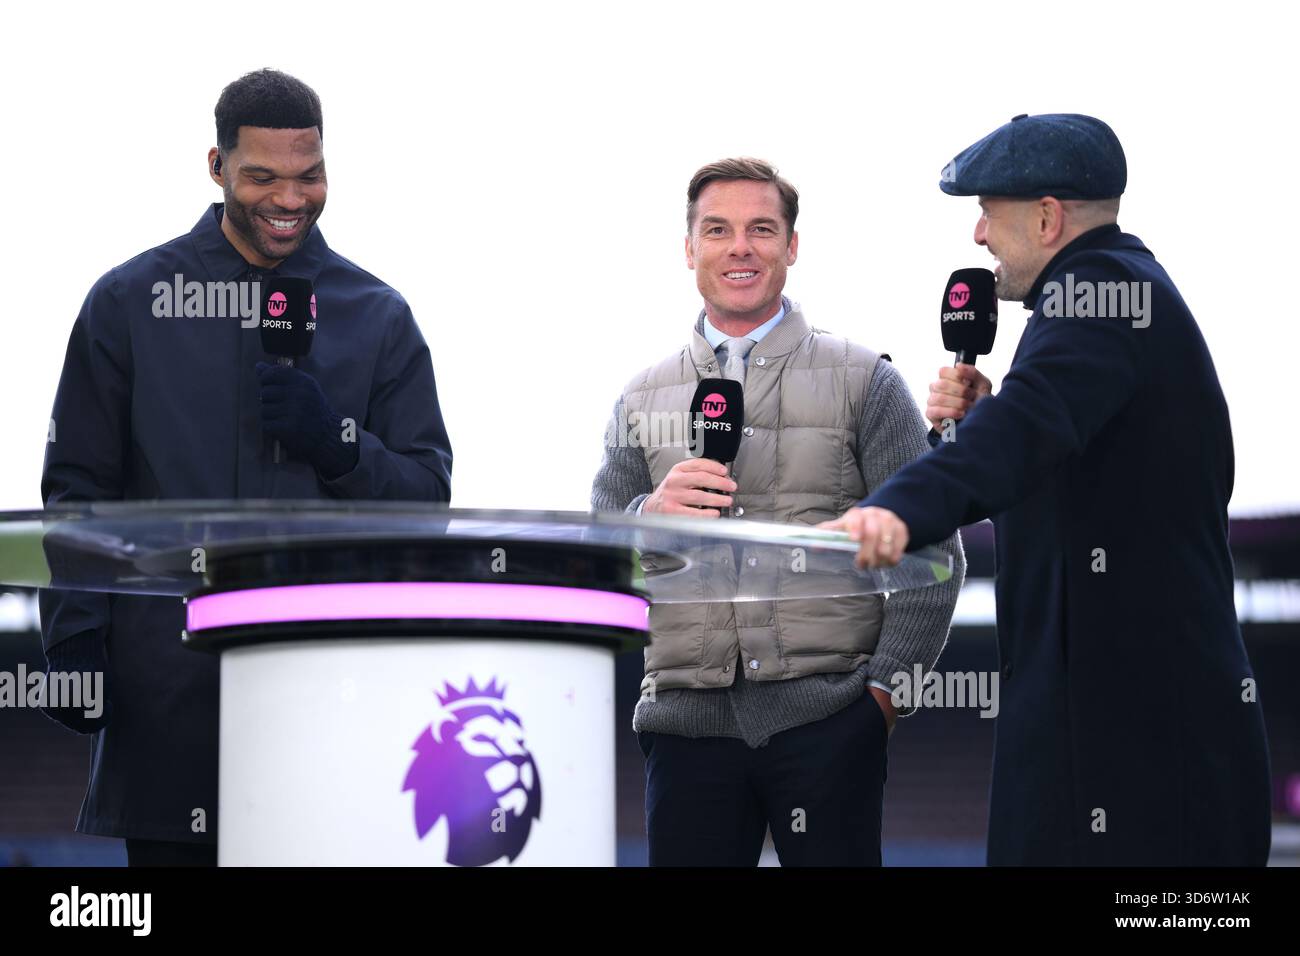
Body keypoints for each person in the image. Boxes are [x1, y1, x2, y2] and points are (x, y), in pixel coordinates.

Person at [825, 114, 1271, 865]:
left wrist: (900, 506)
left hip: (1135, 763)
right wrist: (985, 419)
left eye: (987, 212)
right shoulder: (1115, 297)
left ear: (1046, 216)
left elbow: (1029, 427)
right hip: (1123, 744)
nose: (976, 236)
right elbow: (1054, 449)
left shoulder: (1099, 295)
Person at [39, 68, 454, 866]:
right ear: (216, 165)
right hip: (168, 699)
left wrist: (338, 445)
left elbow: (426, 499)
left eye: (310, 177)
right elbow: (79, 487)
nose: (289, 199)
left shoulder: (379, 316)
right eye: (262, 175)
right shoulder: (127, 301)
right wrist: (76, 640)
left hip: (328, 703)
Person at [591, 157, 965, 866]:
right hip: (685, 729)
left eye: (761, 229)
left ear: (792, 246)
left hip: (827, 723)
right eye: (718, 230)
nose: (740, 247)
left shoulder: (868, 382)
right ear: (689, 248)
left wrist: (882, 698)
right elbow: (602, 562)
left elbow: (938, 550)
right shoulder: (639, 398)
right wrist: (650, 513)